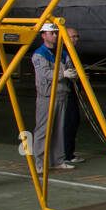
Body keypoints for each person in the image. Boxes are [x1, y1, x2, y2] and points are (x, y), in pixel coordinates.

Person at [31, 21, 75, 174]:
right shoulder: (39, 54)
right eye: (52, 33)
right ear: (43, 35)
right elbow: (44, 74)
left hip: (62, 95)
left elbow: (69, 66)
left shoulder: (62, 53)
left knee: (59, 129)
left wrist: (72, 73)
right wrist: (63, 74)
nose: (55, 35)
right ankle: (40, 162)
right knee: (43, 130)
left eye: (56, 33)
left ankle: (57, 160)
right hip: (47, 96)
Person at [60, 26, 84, 165]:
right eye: (72, 37)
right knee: (67, 122)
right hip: (64, 93)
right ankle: (64, 154)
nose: (75, 39)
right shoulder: (62, 53)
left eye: (76, 36)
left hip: (73, 92)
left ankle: (69, 153)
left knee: (73, 121)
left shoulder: (73, 52)